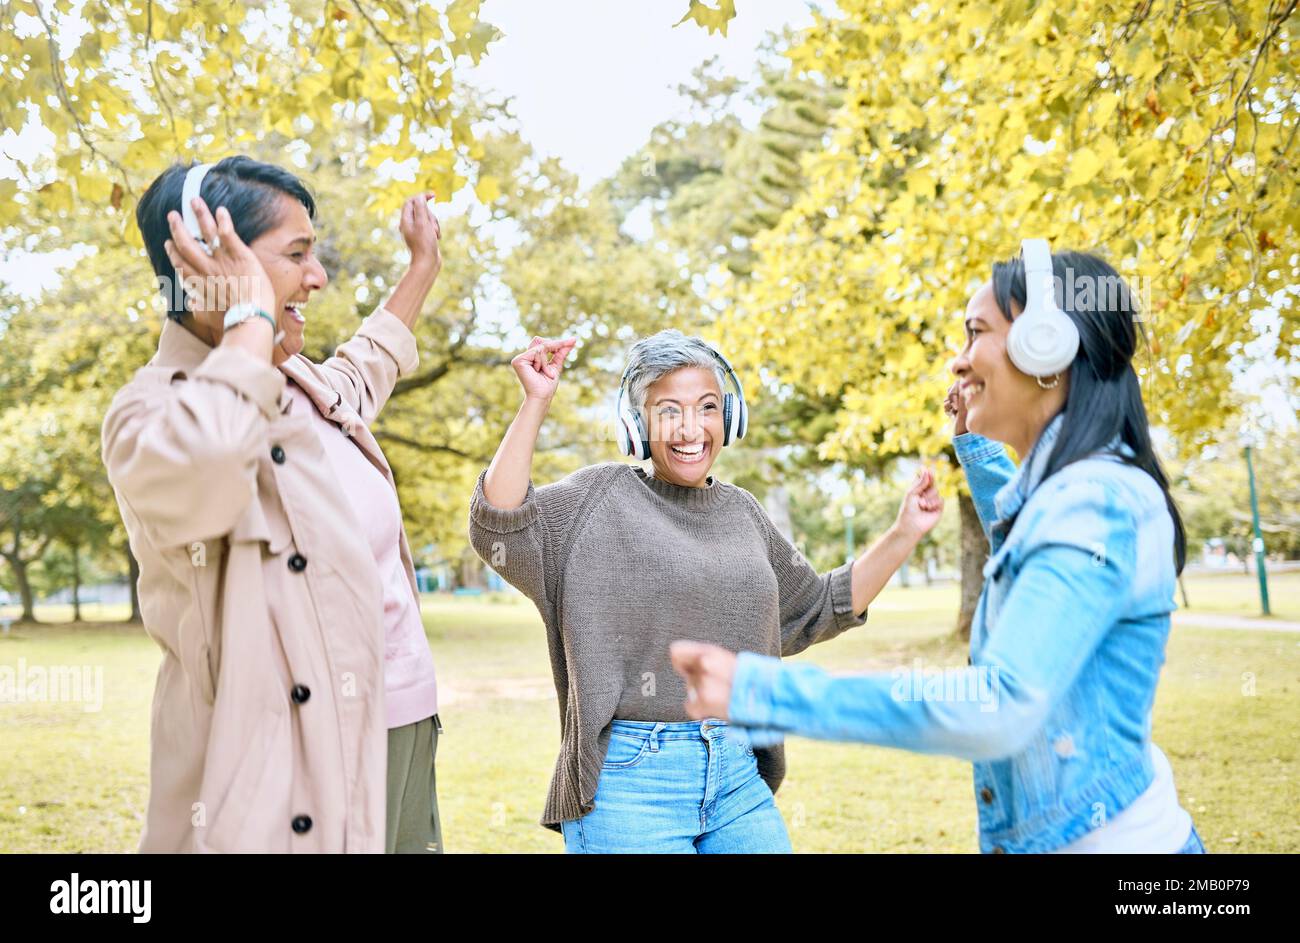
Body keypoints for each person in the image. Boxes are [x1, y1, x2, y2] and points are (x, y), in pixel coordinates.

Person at [671, 242, 1205, 854]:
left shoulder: (1095, 502)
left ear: (1048, 346)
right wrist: (977, 452)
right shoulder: (1078, 494)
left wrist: (762, 691)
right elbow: (1031, 553)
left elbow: (998, 705)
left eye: (977, 332)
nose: (958, 361)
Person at [467, 328, 942, 852]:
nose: (691, 428)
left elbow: (816, 607)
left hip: (737, 773)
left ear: (728, 418)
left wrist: (905, 533)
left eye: (708, 407)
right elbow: (500, 526)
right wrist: (537, 402)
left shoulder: (742, 512)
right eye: (668, 409)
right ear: (636, 425)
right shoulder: (597, 499)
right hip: (631, 784)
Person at [102, 156, 443, 852]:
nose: (318, 277)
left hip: (402, 717)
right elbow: (210, 462)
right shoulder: (151, 411)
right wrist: (249, 318)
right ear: (203, 259)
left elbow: (365, 365)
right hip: (286, 766)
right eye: (296, 254)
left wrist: (422, 268)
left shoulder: (301, 379)